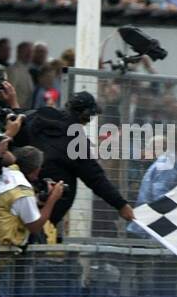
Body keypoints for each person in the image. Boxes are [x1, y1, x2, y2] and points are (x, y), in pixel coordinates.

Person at [11, 90, 134, 232]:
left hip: (19, 196)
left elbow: (18, 124)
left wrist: (15, 107)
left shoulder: (42, 114)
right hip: (44, 211)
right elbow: (95, 178)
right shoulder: (76, 140)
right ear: (87, 116)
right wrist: (121, 205)